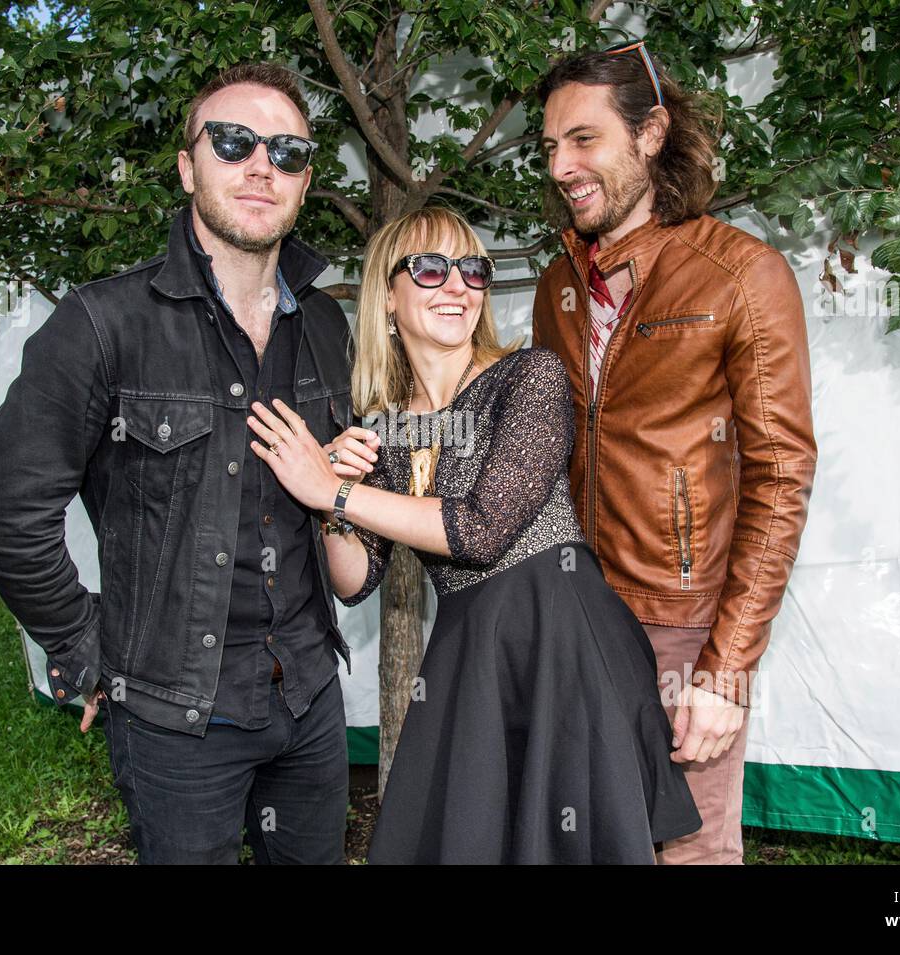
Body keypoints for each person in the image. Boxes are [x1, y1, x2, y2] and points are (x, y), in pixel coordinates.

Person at [0, 63, 359, 864]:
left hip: (310, 694)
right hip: (177, 718)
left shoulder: (323, 324)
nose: (260, 166)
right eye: (233, 142)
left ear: (306, 181)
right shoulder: (102, 324)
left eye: (286, 151)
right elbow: (5, 508)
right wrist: (82, 645)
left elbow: (335, 482)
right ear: (187, 166)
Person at [244, 206, 702, 863]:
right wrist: (331, 510)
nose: (456, 285)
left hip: (562, 641)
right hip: (469, 650)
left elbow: (481, 530)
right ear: (388, 297)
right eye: (431, 269)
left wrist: (336, 490)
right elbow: (353, 581)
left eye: (473, 270)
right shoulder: (384, 428)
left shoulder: (531, 377)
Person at [532, 42, 819, 864]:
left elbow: (780, 474)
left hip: (684, 627)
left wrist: (726, 666)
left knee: (687, 850)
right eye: (550, 146)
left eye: (583, 139)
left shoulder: (740, 275)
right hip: (578, 615)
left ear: (651, 133)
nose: (561, 164)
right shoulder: (558, 285)